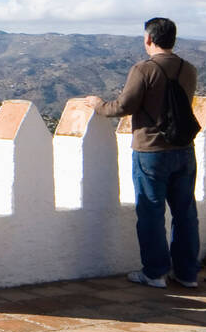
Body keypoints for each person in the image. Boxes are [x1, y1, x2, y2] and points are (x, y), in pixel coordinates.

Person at [83, 17, 199, 289]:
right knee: (185, 213)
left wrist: (98, 104)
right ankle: (187, 274)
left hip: (151, 150)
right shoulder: (189, 69)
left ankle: (155, 272)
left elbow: (124, 106)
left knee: (151, 211)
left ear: (149, 39)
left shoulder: (143, 69)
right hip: (184, 149)